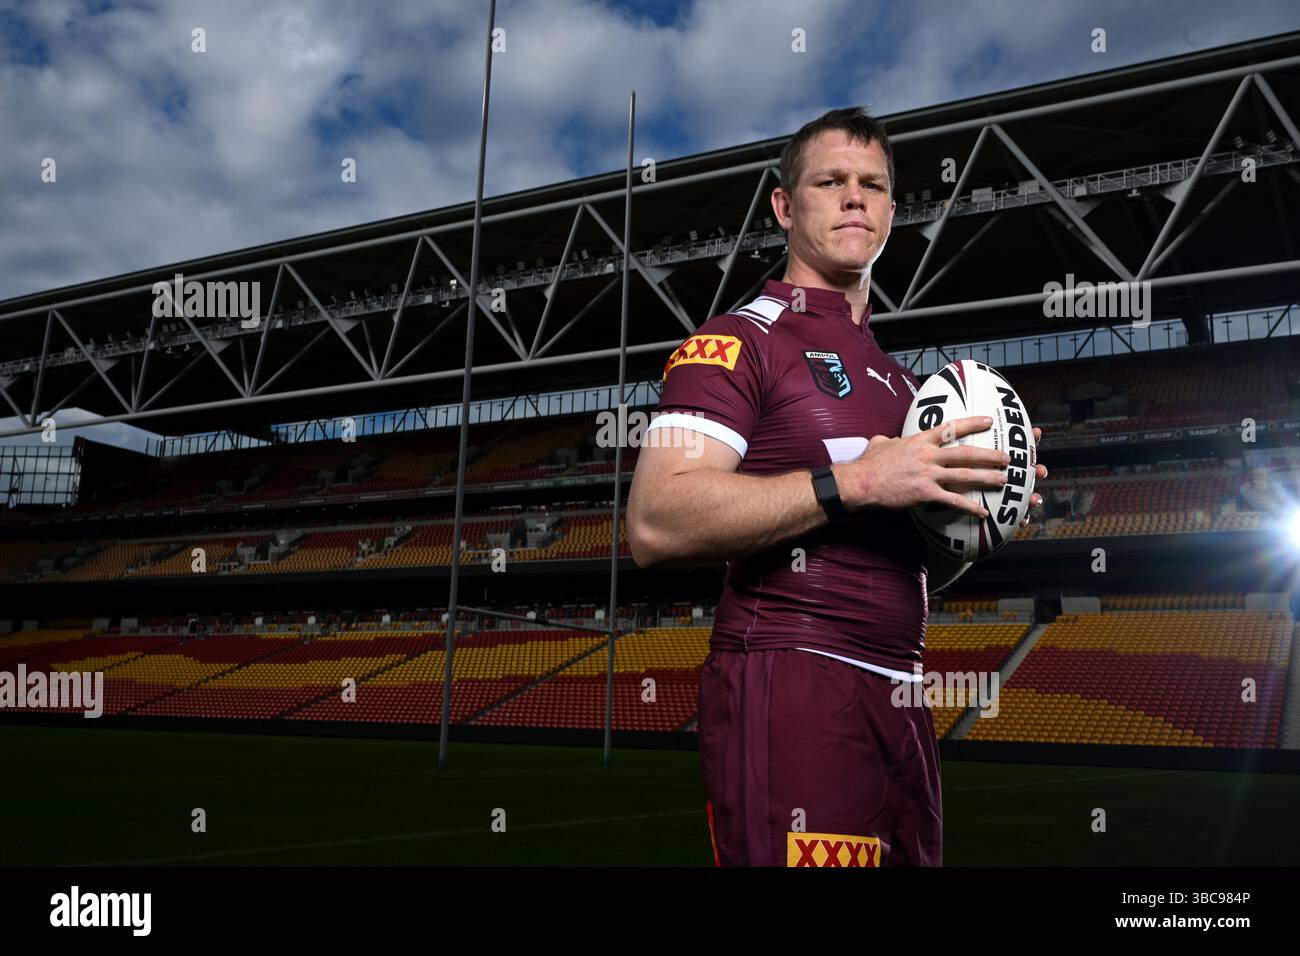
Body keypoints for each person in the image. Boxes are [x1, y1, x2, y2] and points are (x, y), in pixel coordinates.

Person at [626, 107, 1047, 867]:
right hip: (796, 679)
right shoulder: (734, 342)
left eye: (872, 185)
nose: (854, 197)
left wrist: (984, 516)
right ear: (787, 207)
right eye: (831, 181)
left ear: (891, 210)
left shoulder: (908, 386)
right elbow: (657, 521)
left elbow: (921, 564)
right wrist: (855, 481)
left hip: (904, 693)